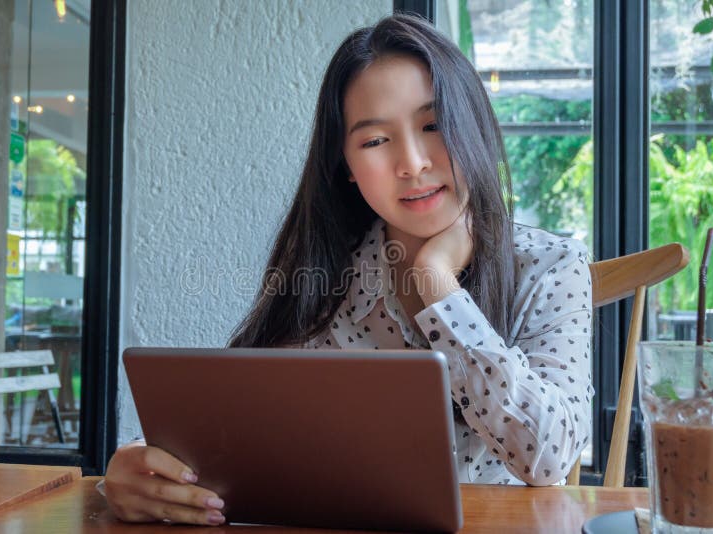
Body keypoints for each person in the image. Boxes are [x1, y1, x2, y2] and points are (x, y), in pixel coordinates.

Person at [104, 13, 593, 525]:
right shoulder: (328, 274)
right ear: (348, 168)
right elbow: (234, 428)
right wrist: (142, 467)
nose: (412, 163)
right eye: (375, 141)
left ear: (476, 128)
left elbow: (549, 457)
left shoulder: (551, 266)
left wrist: (438, 286)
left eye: (433, 125)